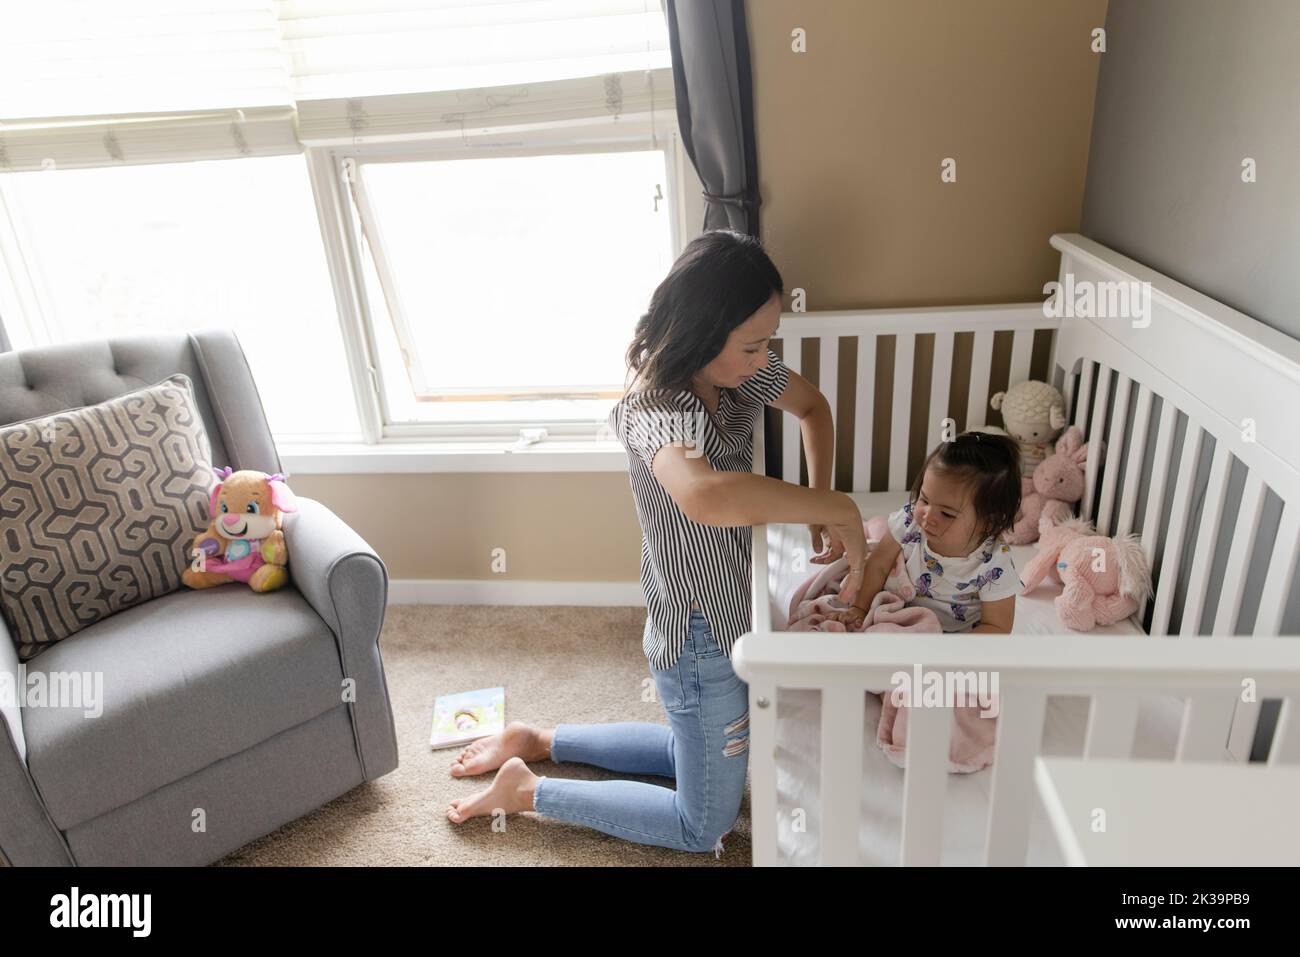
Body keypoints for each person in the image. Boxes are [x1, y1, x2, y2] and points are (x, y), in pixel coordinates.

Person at [445, 229, 868, 856]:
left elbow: (815, 410)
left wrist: (818, 505)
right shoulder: (656, 407)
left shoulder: (739, 372)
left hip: (724, 616)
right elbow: (703, 493)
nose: (765, 359)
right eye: (753, 346)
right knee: (705, 827)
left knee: (689, 745)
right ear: (702, 331)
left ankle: (537, 740)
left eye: (768, 344)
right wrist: (830, 506)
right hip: (696, 632)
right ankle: (527, 790)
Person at [827, 431, 1023, 634]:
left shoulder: (993, 564)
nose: (927, 516)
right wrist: (860, 608)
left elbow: (997, 627)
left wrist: (950, 654)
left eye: (947, 513)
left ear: (989, 523)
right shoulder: (910, 521)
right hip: (901, 616)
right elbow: (877, 565)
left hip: (957, 637)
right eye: (925, 500)